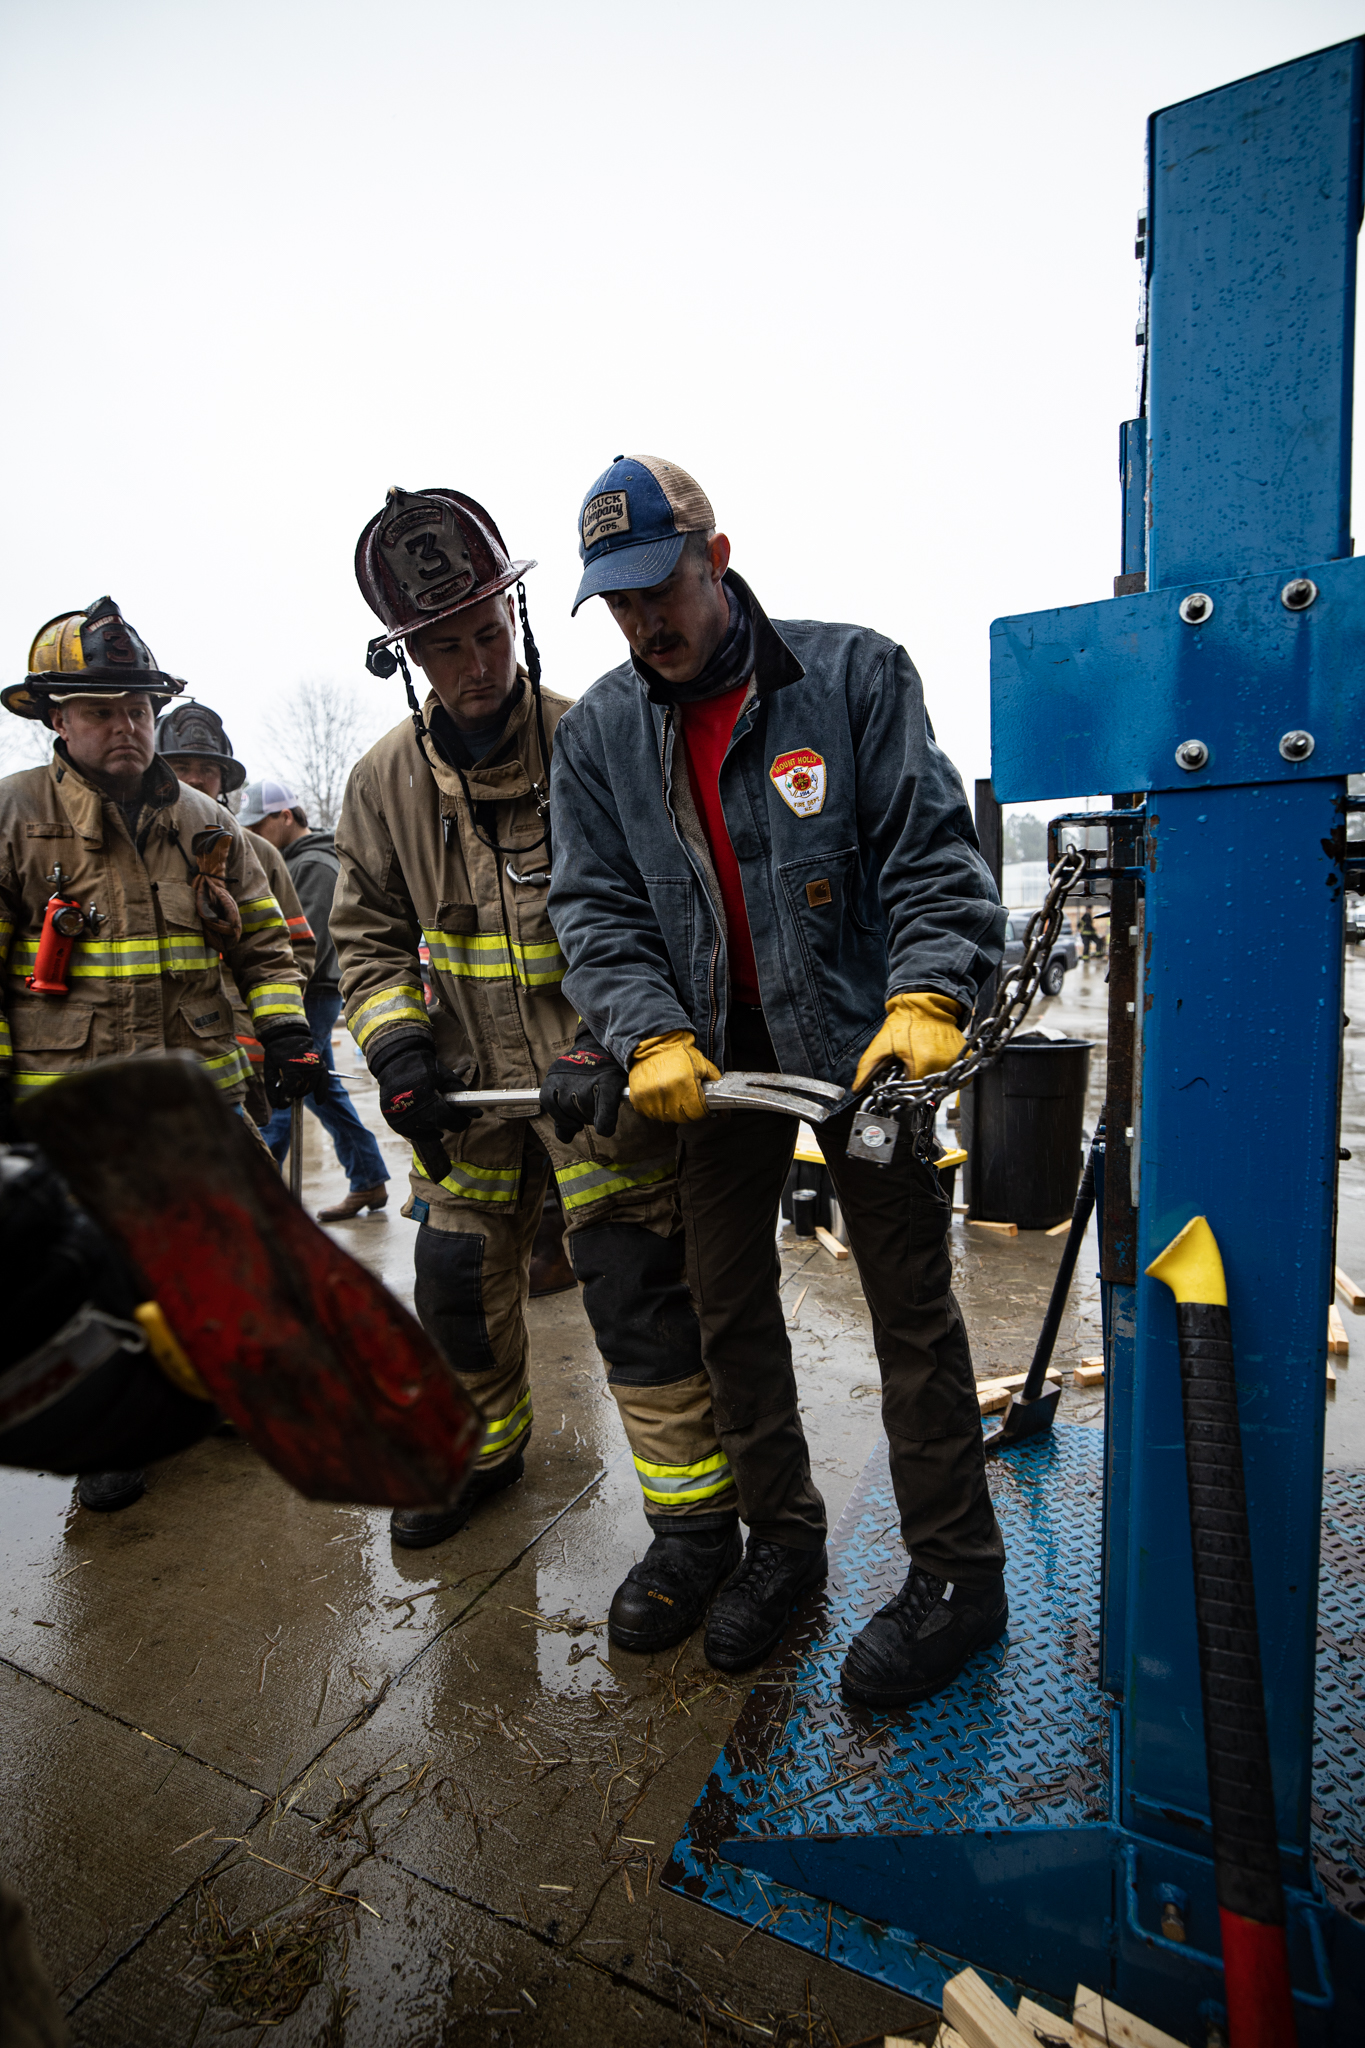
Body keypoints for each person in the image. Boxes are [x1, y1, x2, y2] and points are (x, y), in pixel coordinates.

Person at [547, 456, 1010, 1702]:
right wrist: (646, 1031)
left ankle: (959, 1576)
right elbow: (595, 909)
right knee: (726, 1299)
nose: (644, 622)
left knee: (911, 1310)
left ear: (718, 556)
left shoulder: (853, 675)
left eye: (659, 589)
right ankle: (786, 1542)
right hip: (712, 1061)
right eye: (619, 602)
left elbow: (930, 854)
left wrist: (928, 995)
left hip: (866, 1043)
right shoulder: (598, 735)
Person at [332, 486, 742, 1651]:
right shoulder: (382, 783)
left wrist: (612, 1033)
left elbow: (674, 910)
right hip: (467, 1099)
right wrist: (397, 1046)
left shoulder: (600, 738)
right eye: (446, 648)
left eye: (489, 634)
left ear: (517, 619)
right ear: (410, 659)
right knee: (455, 1289)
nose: (477, 667)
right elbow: (364, 937)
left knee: (637, 1294)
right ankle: (482, 1454)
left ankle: (694, 1526)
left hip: (598, 1091)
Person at [0, 597, 317, 1515]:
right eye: (101, 710)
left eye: (137, 708)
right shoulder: (15, 819)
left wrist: (284, 1031)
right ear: (57, 719)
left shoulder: (208, 824)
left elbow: (268, 947)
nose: (126, 727)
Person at [155, 701, 318, 1126]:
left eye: (208, 768)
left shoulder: (257, 853)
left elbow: (292, 949)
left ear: (224, 781)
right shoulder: (138, 844)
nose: (195, 778)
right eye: (182, 766)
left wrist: (276, 1027)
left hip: (237, 1051)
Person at [240, 777, 391, 1221]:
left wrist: (284, 1001)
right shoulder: (297, 860)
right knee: (322, 1091)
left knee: (281, 1084)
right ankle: (368, 1179)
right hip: (308, 990)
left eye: (259, 825)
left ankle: (259, 1202)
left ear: (286, 816)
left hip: (309, 992)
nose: (253, 836)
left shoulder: (314, 865)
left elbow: (303, 945)